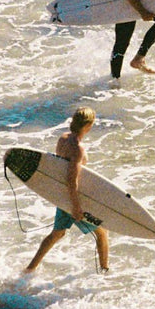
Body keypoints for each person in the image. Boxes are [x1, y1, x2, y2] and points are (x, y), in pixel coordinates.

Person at [24, 107, 110, 273]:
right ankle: (105, 271)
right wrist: (76, 207)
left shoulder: (63, 139)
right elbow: (72, 180)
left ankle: (29, 269)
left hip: (61, 196)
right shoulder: (78, 149)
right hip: (73, 198)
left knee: (57, 233)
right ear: (88, 125)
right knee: (102, 232)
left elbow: (58, 169)